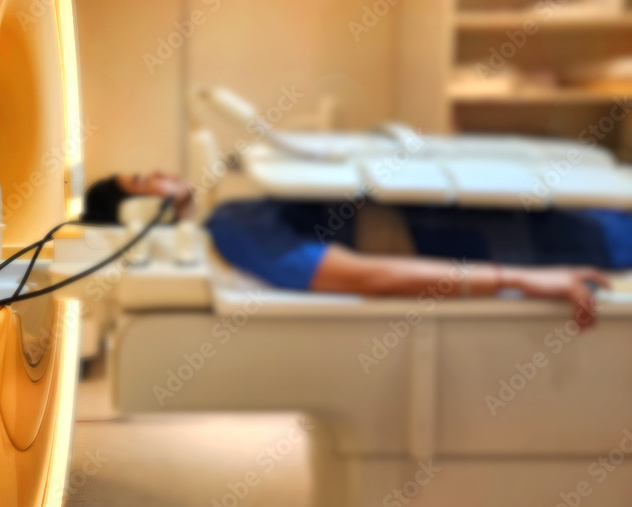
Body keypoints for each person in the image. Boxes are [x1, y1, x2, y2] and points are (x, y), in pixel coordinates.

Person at [81, 172, 632, 328]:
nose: (159, 174)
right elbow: (370, 277)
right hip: (513, 239)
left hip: (510, 211)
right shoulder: (234, 233)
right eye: (143, 181)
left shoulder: (235, 206)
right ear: (136, 215)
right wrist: (527, 281)